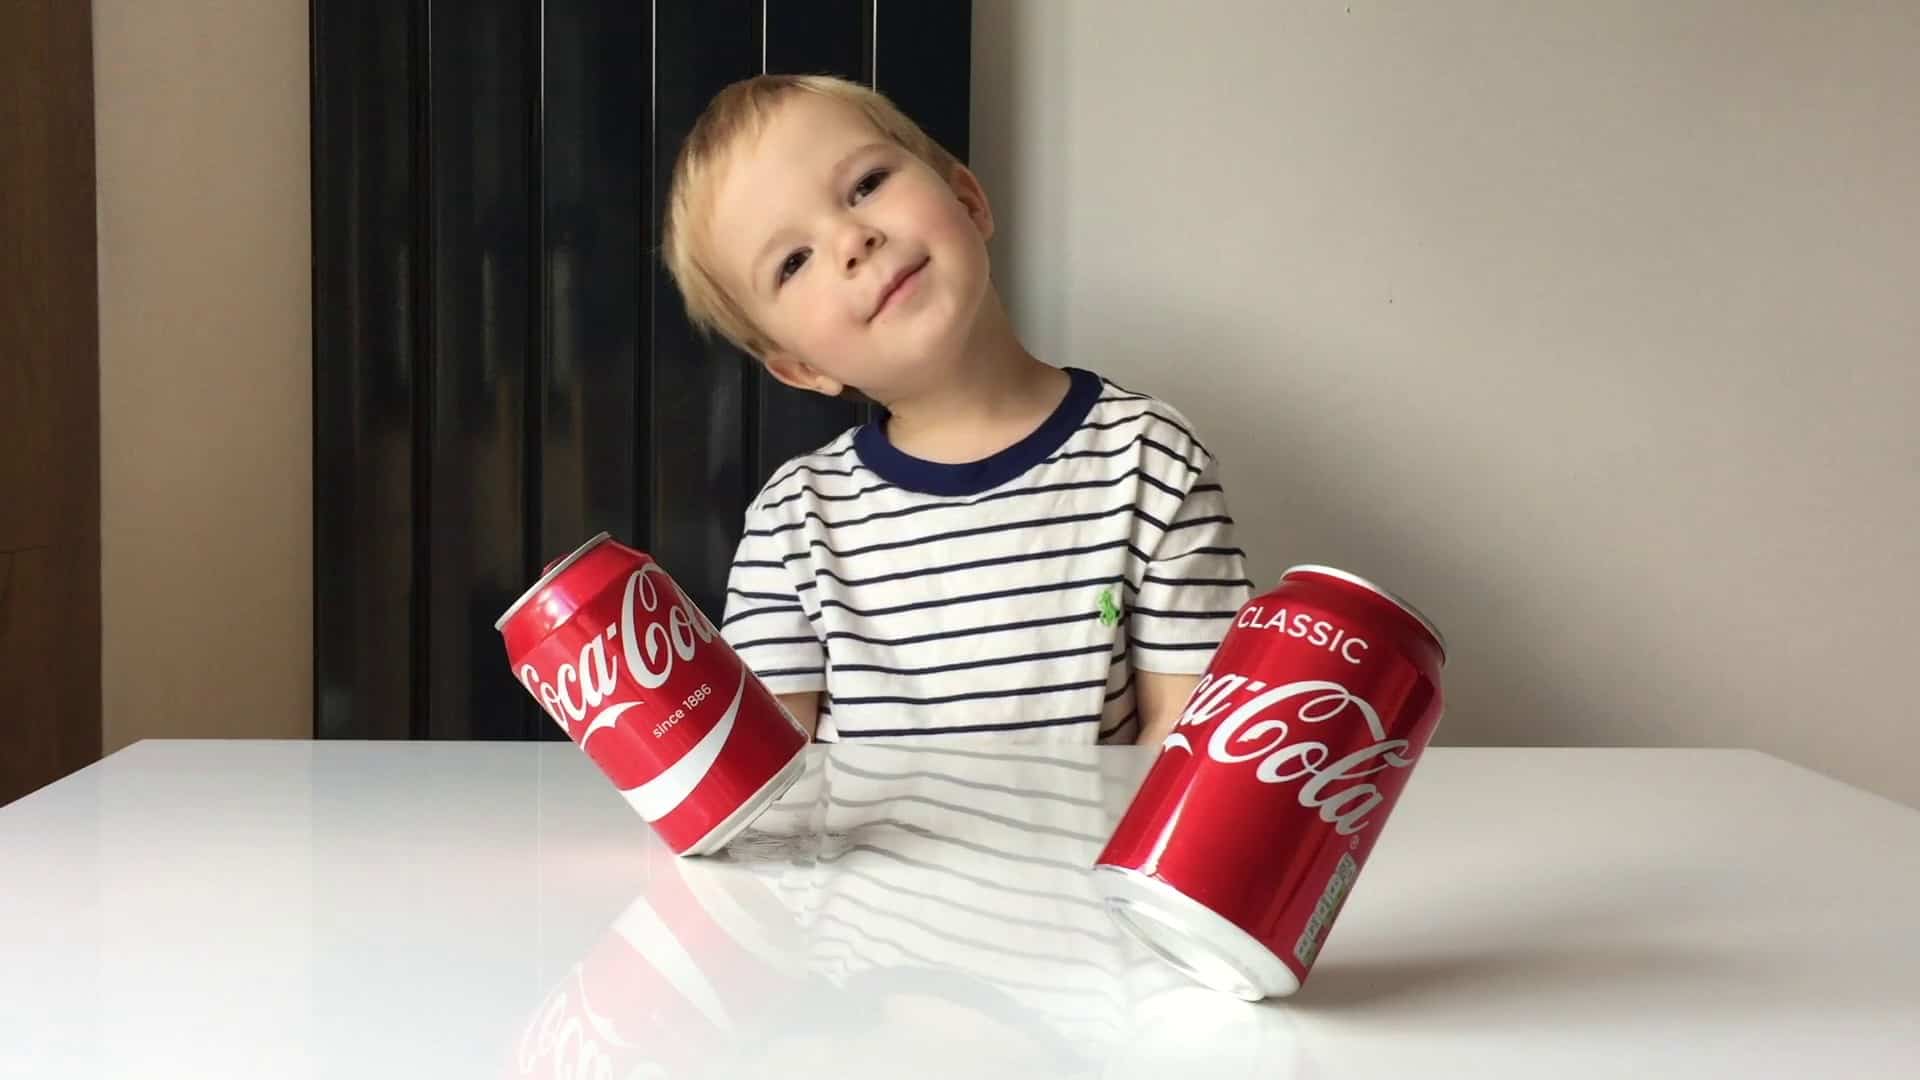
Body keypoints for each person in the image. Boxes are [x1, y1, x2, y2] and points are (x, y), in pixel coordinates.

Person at [662, 75, 1250, 746]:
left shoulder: (1152, 459)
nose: (852, 239)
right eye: (794, 261)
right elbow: (766, 774)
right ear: (803, 369)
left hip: (1087, 853)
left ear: (967, 200)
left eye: (866, 185)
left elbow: (1187, 734)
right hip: (866, 856)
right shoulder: (793, 525)